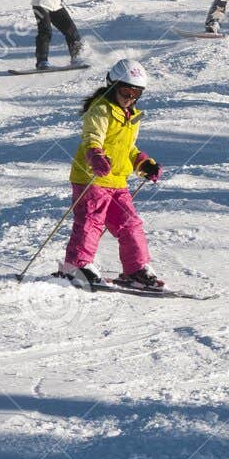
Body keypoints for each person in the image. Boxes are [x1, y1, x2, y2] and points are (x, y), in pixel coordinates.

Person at [58, 59, 164, 290]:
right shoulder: (100, 110)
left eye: (136, 93)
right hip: (91, 177)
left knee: (130, 223)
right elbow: (92, 138)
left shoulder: (131, 115)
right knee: (90, 221)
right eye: (126, 91)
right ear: (112, 85)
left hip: (117, 180)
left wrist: (143, 163)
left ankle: (136, 269)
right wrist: (95, 156)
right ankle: (75, 266)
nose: (130, 97)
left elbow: (128, 149)